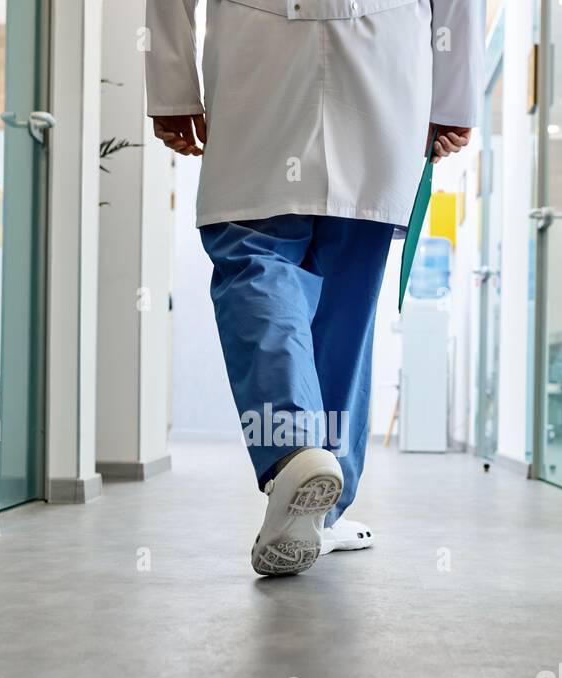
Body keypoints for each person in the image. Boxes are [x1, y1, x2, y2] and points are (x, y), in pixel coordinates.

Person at [146, 0, 482, 576]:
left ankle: (294, 451)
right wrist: (453, 95)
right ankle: (322, 504)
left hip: (260, 50)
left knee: (253, 253)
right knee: (346, 294)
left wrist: (174, 85)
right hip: (382, 52)